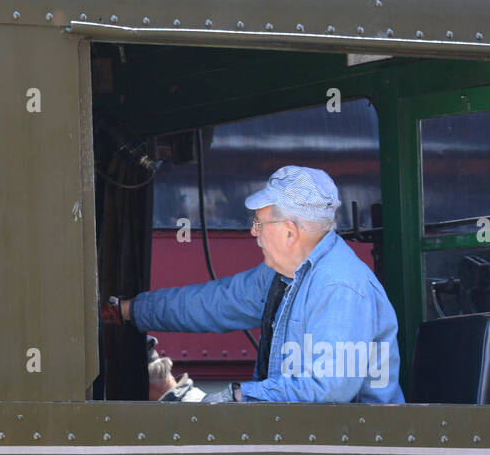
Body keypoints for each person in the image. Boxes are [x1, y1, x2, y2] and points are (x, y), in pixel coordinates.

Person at [117, 166, 403, 404]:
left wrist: (240, 396)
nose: (254, 231)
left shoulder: (338, 287)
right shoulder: (283, 274)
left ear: (290, 232)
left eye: (259, 222)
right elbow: (216, 303)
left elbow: (328, 389)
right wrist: (132, 310)